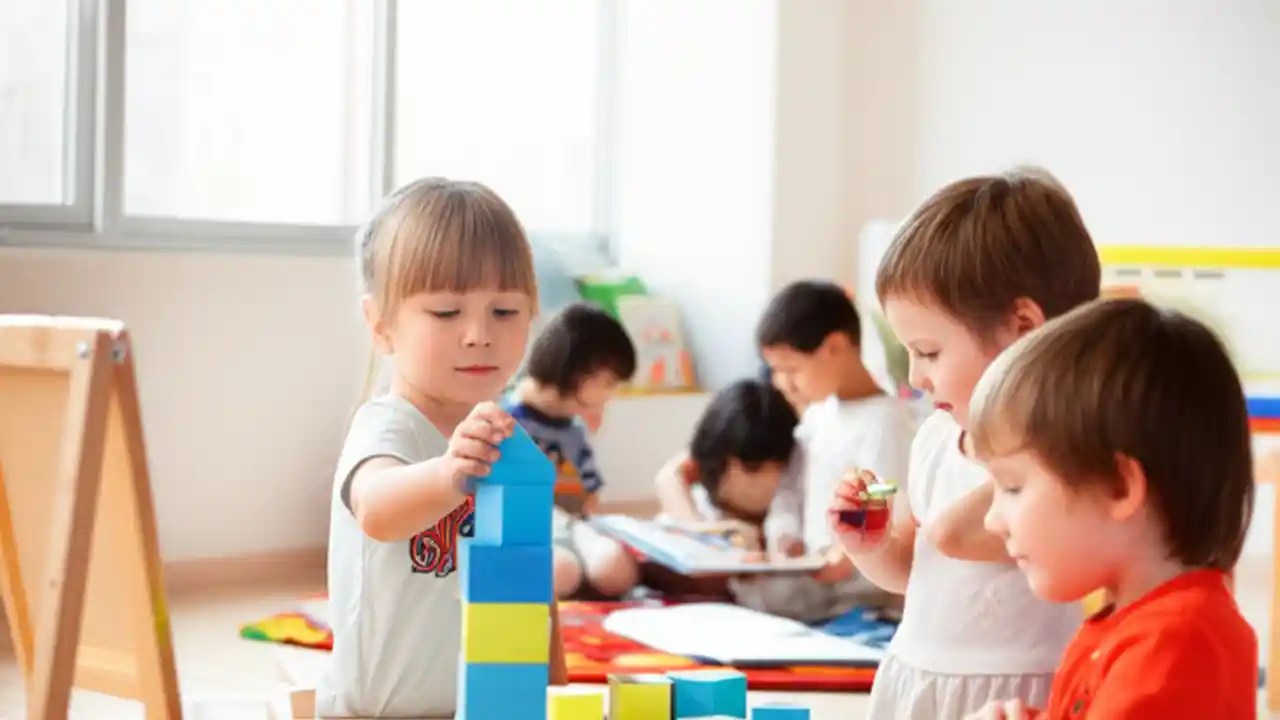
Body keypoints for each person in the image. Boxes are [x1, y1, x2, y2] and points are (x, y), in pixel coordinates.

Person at [829, 167, 1101, 718]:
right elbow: (913, 569)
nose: (915, 377)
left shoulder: (1064, 454)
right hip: (916, 673)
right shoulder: (936, 437)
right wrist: (869, 543)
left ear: (1024, 329)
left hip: (1012, 693)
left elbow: (957, 536)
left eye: (928, 352)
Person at [318, 178, 566, 717]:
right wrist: (448, 472)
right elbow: (378, 510)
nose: (478, 334)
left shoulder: (509, 442)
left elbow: (531, 586)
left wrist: (555, 692)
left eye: (504, 312)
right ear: (381, 326)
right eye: (447, 313)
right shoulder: (387, 425)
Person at [963, 298, 1256, 719]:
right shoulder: (1139, 624)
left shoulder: (1174, 643)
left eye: (1012, 486)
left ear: (1119, 487)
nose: (993, 520)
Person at [757, 280, 913, 594]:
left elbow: (888, 507)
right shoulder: (818, 415)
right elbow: (790, 487)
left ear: (835, 348)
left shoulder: (885, 420)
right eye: (775, 370)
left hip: (859, 576)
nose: (782, 383)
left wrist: (844, 557)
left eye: (791, 369)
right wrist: (785, 536)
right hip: (815, 565)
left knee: (757, 596)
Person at [504, 302, 641, 598]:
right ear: (580, 374)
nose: (610, 396)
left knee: (615, 569)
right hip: (523, 529)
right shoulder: (502, 419)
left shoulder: (572, 430)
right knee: (560, 572)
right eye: (608, 384)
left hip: (572, 526)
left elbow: (590, 495)